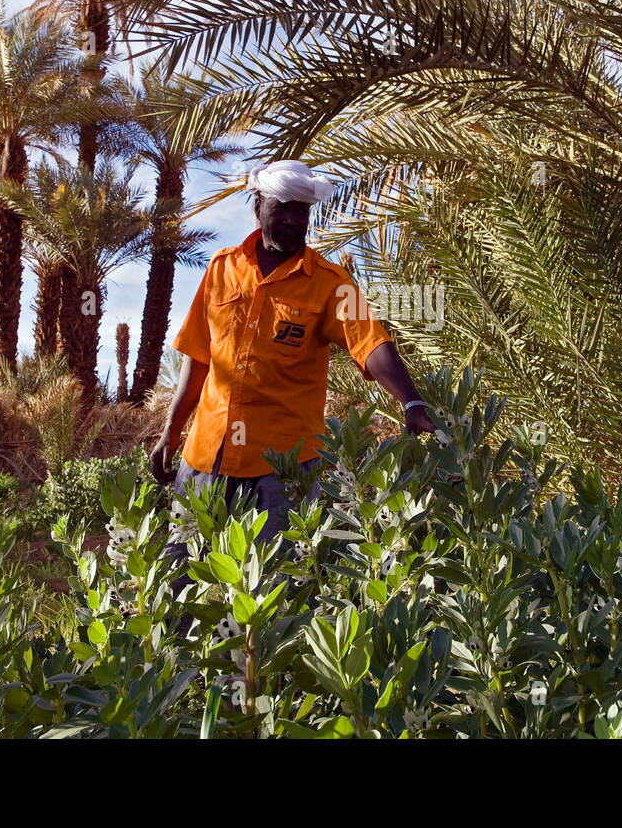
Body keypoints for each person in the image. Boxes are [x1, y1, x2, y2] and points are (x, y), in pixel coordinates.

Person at [150, 159, 435, 568]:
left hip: (281, 473)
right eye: (280, 207)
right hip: (205, 459)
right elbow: (198, 359)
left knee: (275, 588)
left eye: (300, 211)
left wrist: (411, 400)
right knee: (183, 580)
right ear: (257, 206)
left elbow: (370, 341)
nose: (290, 220)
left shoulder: (331, 284)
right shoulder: (221, 269)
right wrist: (170, 432)